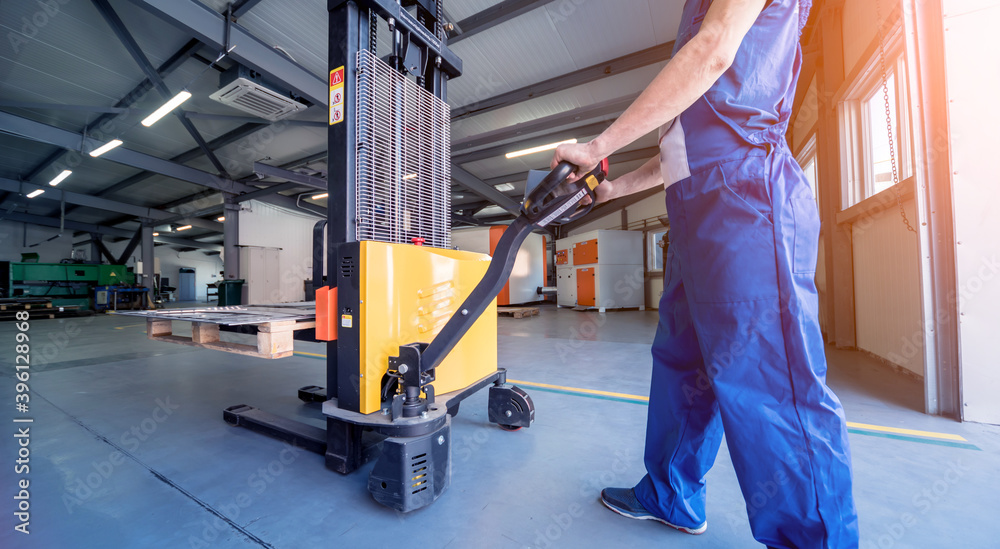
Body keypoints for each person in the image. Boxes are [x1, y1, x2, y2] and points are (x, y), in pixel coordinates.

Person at [550, 0, 859, 547]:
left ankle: (815, 541)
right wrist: (614, 186)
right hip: (695, 203)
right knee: (682, 361)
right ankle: (671, 493)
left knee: (770, 379)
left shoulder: (710, 24)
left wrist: (599, 147)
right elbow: (685, 141)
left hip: (745, 197)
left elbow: (714, 53)